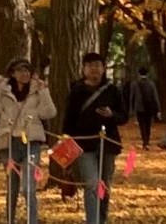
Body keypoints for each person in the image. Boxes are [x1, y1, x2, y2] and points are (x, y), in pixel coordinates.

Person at [0, 58, 56, 224]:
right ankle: (10, 220)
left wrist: (44, 91)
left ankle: (32, 221)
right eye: (20, 70)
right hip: (8, 142)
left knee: (28, 188)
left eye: (27, 70)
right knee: (12, 187)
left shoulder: (35, 91)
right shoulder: (3, 91)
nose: (24, 74)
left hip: (31, 142)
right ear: (12, 73)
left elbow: (49, 113)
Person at [62, 52, 128, 224]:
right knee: (91, 183)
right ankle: (92, 221)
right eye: (90, 66)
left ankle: (101, 219)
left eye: (98, 66)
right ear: (84, 69)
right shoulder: (76, 90)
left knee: (104, 184)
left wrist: (111, 115)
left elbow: (124, 117)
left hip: (108, 144)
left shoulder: (113, 90)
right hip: (84, 145)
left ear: (103, 68)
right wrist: (66, 139)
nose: (94, 70)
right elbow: (69, 118)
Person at [123, 68, 161, 148]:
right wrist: (158, 108)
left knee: (142, 125)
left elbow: (132, 97)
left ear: (138, 74)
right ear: (147, 74)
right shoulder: (151, 83)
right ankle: (147, 141)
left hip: (139, 108)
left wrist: (131, 109)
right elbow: (155, 97)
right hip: (149, 107)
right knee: (148, 125)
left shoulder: (134, 84)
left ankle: (145, 142)